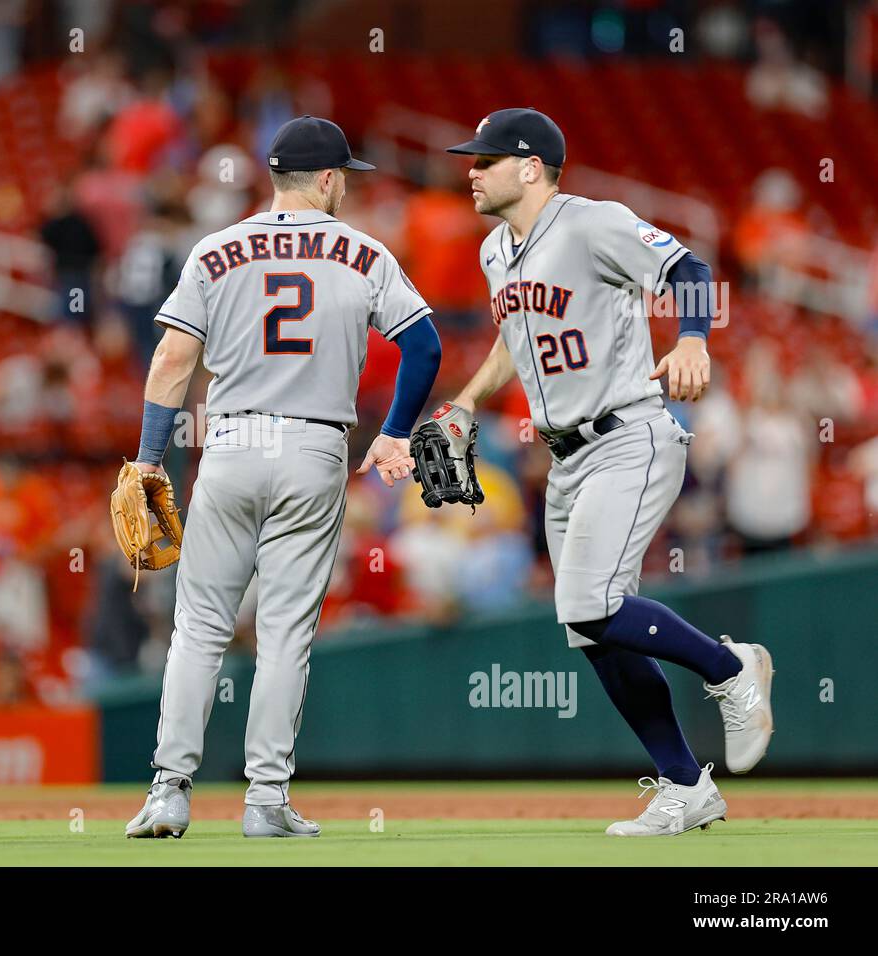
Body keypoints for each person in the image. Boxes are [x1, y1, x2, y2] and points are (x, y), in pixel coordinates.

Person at [427, 108, 774, 837]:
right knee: (593, 633)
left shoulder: (591, 222)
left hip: (628, 434)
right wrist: (464, 401)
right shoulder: (496, 250)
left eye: (485, 160)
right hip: (565, 458)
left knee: (590, 605)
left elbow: (692, 269)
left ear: (530, 168)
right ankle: (685, 786)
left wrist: (691, 340)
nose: (471, 170)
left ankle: (729, 668)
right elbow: (513, 341)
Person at [125, 116, 442, 839]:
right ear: (329, 179)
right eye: (344, 178)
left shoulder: (216, 248)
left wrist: (147, 458)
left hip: (230, 441)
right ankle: (265, 800)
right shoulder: (363, 252)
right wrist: (393, 433)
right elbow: (423, 346)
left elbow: (172, 362)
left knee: (198, 628)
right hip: (313, 445)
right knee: (284, 633)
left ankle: (169, 792)